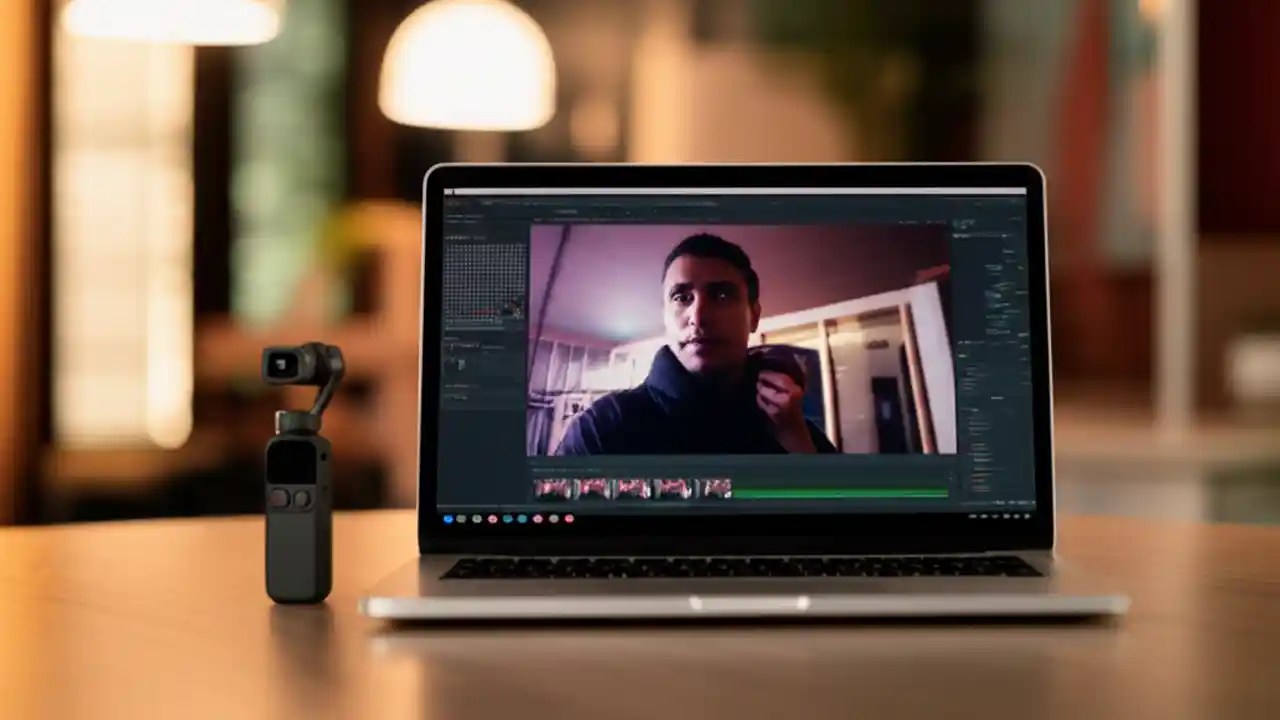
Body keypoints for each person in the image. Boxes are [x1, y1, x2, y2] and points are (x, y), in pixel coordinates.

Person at [554, 233, 838, 455]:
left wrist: (800, 448)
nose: (698, 316)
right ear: (665, 315)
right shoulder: (601, 430)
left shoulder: (795, 431)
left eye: (722, 296)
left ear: (754, 315)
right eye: (681, 297)